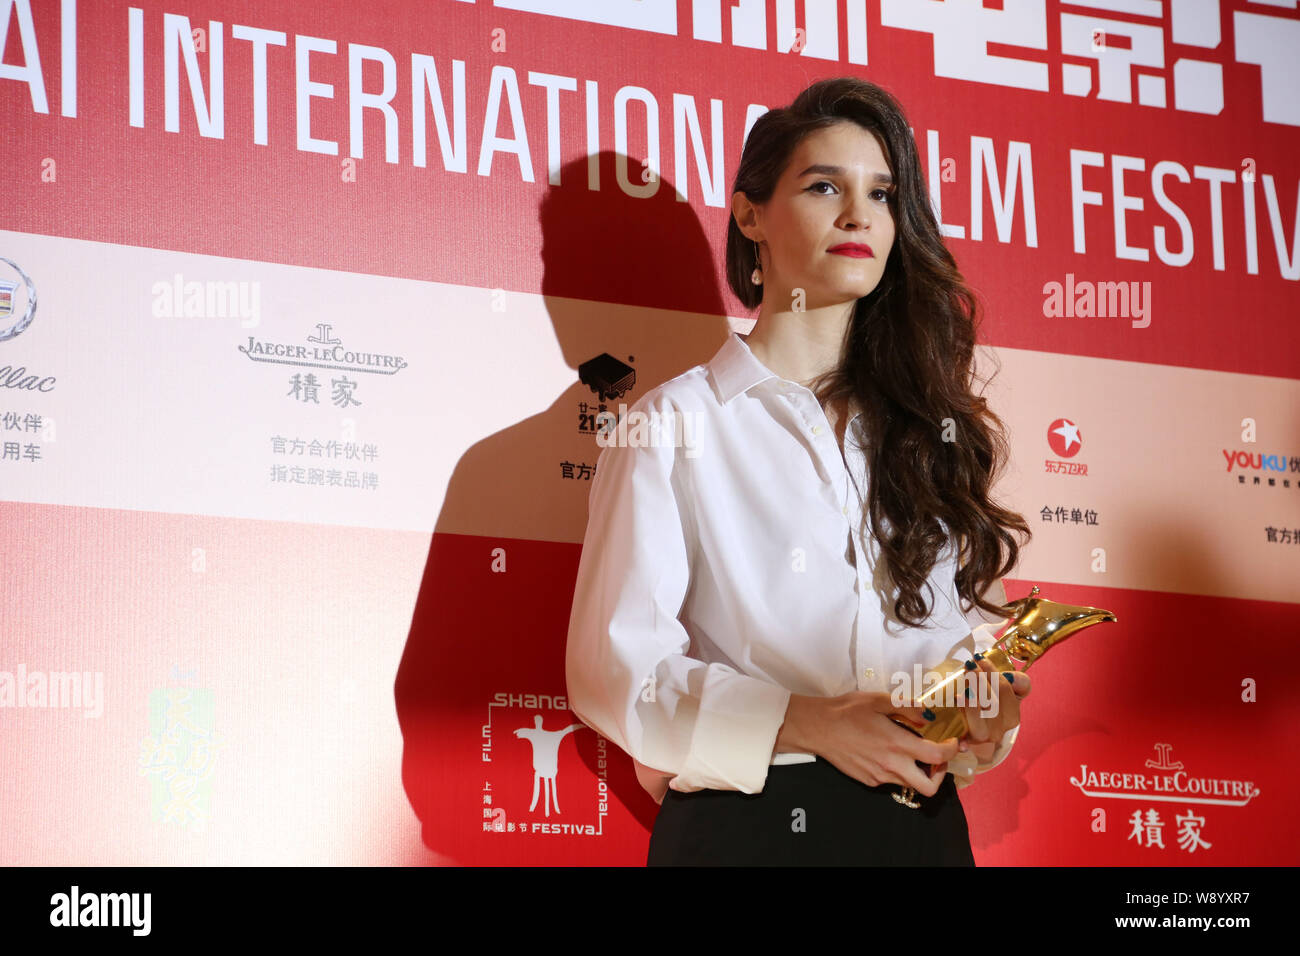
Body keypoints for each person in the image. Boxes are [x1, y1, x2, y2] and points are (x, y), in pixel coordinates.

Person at [564, 77, 1033, 866]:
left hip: (921, 830)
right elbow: (616, 671)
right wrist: (808, 720)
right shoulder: (674, 424)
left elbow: (951, 646)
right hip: (749, 829)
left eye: (882, 195)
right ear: (750, 214)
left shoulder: (926, 435)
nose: (860, 215)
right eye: (825, 187)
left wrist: (983, 710)